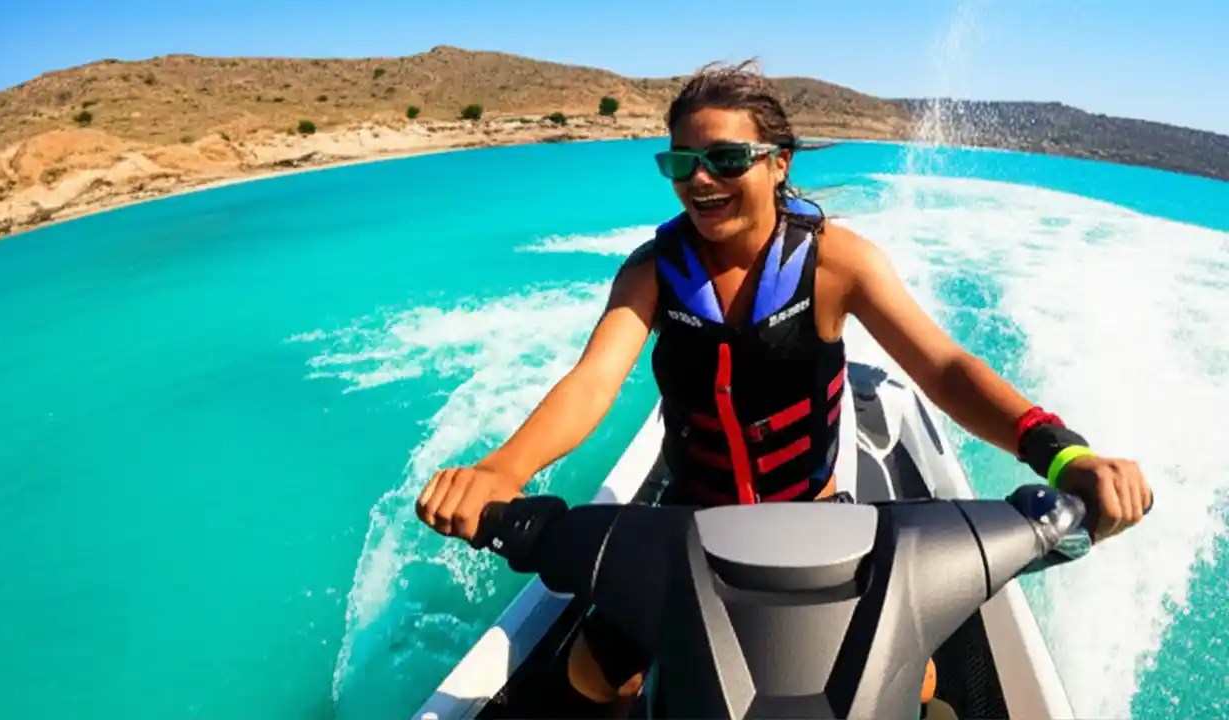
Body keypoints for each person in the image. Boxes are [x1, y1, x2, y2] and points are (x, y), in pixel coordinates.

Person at [415, 60, 1152, 715]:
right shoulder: (651, 271)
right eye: (682, 162)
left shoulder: (838, 263)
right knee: (588, 676)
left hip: (820, 522)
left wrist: (1061, 455)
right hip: (691, 523)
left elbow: (944, 368)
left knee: (918, 686)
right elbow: (591, 383)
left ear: (777, 163)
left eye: (727, 157)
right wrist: (501, 470)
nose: (700, 179)